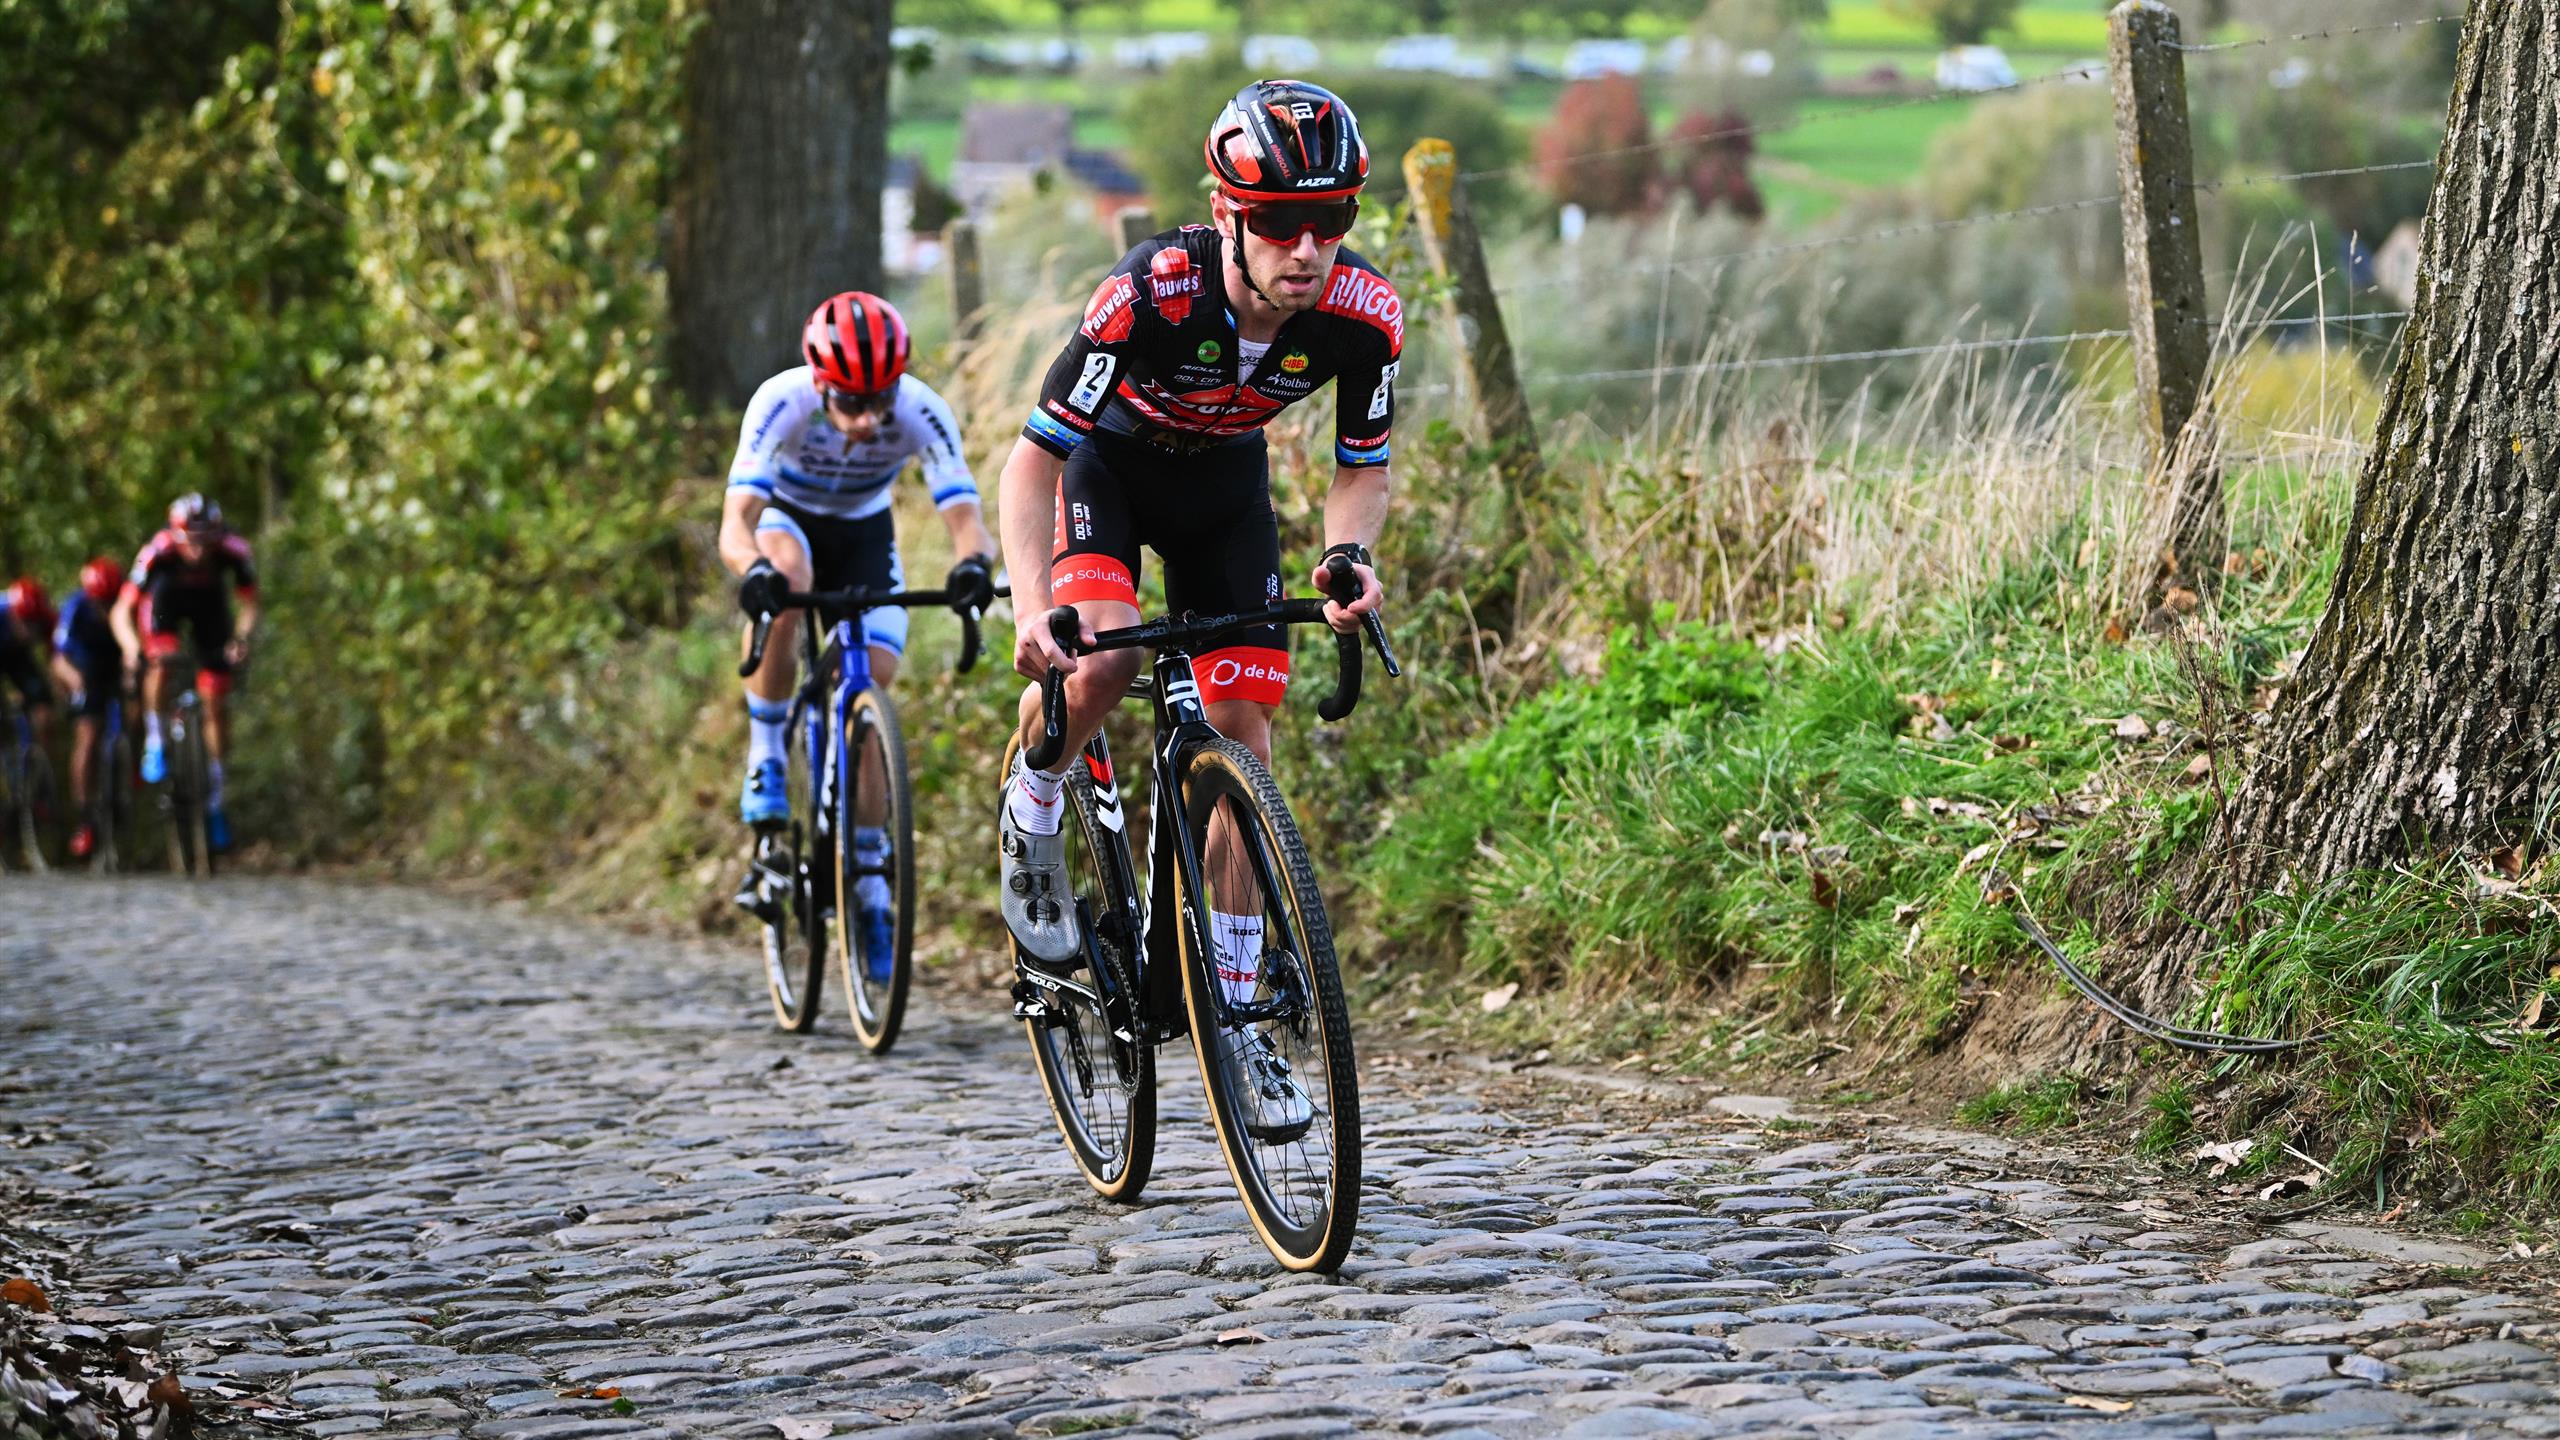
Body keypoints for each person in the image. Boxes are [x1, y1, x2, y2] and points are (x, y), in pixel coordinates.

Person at [995, 80, 1398, 1138]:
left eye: (1330, 219)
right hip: (1110, 474)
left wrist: (1347, 555)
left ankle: (1240, 1015)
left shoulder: (1363, 317)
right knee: (1104, 664)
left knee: (1243, 733)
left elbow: (1363, 466)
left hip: (1225, 493)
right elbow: (1031, 464)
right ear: (1227, 213)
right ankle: (1033, 802)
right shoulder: (1150, 292)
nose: (1306, 248)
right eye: (1278, 222)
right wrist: (1034, 610)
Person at [721, 290, 999, 977]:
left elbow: (967, 518)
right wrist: (752, 571)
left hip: (864, 535)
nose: (869, 419)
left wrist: (971, 565)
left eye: (881, 398)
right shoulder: (781, 402)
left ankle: (872, 881)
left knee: (870, 686)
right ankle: (766, 754)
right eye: (851, 402)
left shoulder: (920, 409)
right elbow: (737, 523)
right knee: (788, 578)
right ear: (821, 386)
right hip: (786, 521)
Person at [112, 494, 258, 852]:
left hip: (211, 609)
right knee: (160, 662)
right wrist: (132, 649)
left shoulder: (234, 550)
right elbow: (121, 610)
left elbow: (251, 603)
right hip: (166, 605)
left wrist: (240, 639)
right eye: (191, 541)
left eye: (206, 542)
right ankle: (156, 741)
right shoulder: (156, 552)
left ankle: (216, 800)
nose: (198, 551)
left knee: (216, 698)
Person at [50, 558, 125, 860]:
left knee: (134, 711)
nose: (105, 608)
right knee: (89, 735)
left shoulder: (127, 601)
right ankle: (85, 817)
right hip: (86, 669)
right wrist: (74, 680)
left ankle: (132, 773)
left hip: (117, 664)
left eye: (110, 602)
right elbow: (59, 657)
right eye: (101, 603)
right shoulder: (76, 607)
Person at [0, 576, 59, 762]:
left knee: (44, 711)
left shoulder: (47, 618)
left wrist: (57, 685)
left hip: (19, 658)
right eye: (24, 622)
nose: (29, 630)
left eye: (34, 623)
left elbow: (56, 657)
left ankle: (44, 766)